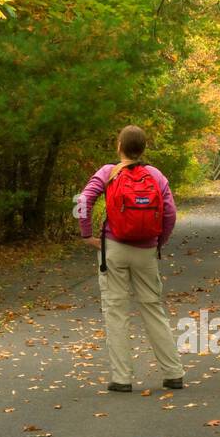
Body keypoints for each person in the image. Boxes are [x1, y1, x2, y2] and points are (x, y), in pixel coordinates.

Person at [77, 125, 184, 392]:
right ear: (143, 148)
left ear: (119, 146)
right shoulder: (156, 175)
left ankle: (122, 378)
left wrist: (86, 234)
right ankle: (173, 373)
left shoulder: (107, 172)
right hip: (146, 251)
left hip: (113, 247)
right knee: (152, 308)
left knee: (116, 310)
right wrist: (158, 241)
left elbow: (82, 199)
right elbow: (170, 213)